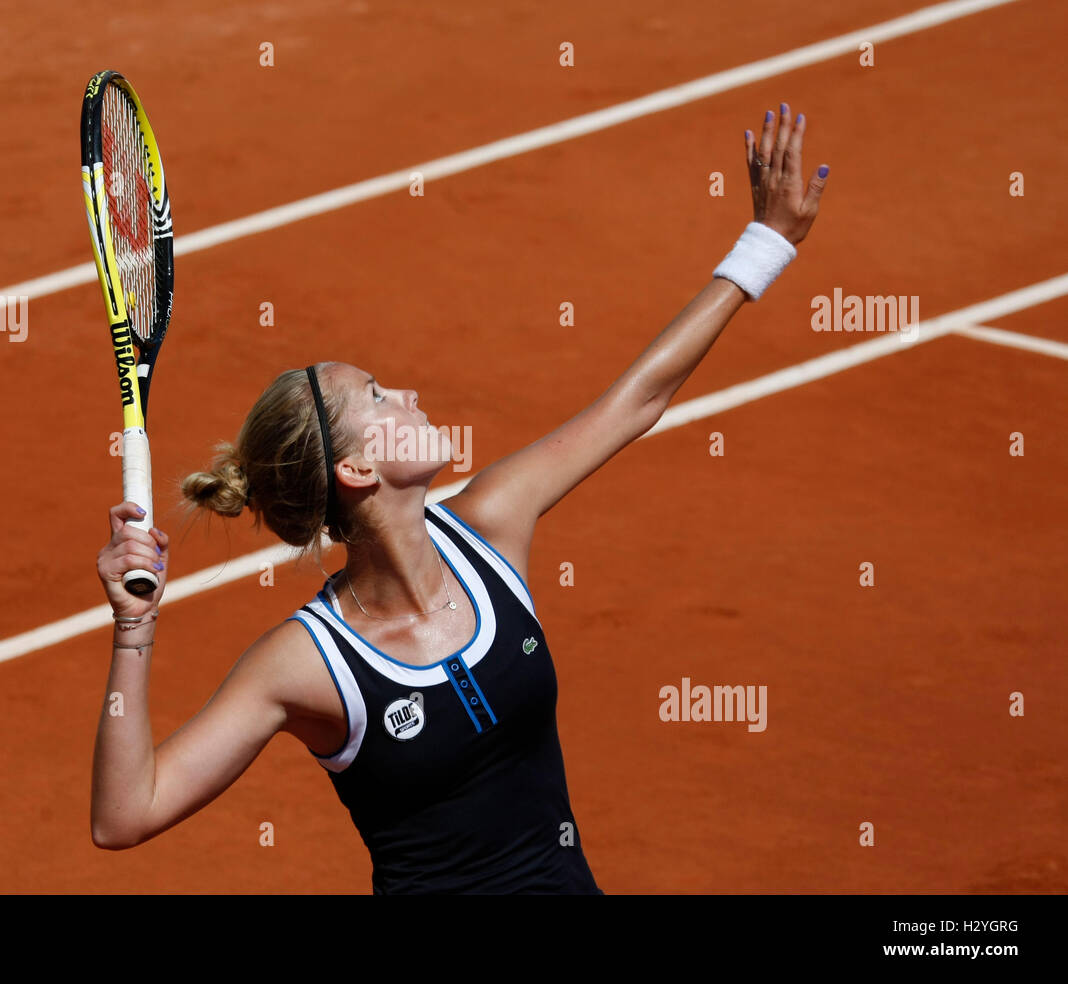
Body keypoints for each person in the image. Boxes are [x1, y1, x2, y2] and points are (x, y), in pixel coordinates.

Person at [91, 103, 827, 893]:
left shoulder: (492, 524)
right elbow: (125, 815)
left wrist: (765, 246)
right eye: (378, 397)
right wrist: (134, 631)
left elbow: (634, 401)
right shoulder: (308, 664)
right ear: (357, 470)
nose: (407, 391)